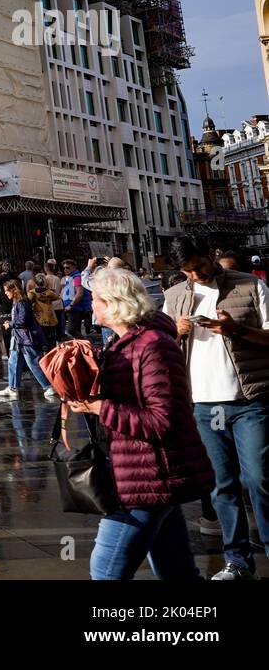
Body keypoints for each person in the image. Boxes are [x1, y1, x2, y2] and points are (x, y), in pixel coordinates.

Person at [75, 267, 214, 579]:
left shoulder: (152, 345)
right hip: (144, 474)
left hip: (148, 477)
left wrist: (99, 407)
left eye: (95, 299)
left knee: (106, 572)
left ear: (113, 303)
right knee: (176, 572)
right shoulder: (123, 342)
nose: (91, 305)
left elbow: (163, 420)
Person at [162, 236, 269, 580]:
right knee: (221, 486)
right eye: (188, 271)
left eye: (200, 266)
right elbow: (162, 349)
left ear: (212, 255)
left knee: (259, 478)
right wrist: (174, 334)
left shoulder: (250, 285)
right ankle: (237, 561)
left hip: (249, 400)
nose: (196, 275)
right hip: (203, 406)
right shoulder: (175, 297)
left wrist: (236, 330)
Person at [0, 281, 56, 400]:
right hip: (20, 337)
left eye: (7, 290)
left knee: (33, 362)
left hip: (25, 338)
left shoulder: (21, 302)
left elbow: (23, 321)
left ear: (13, 290)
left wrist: (10, 324)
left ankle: (48, 386)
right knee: (13, 361)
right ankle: (12, 387)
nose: (5, 293)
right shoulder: (19, 302)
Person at [28, 272, 61, 349]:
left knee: (40, 341)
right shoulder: (49, 293)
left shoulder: (32, 293)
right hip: (50, 319)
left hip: (38, 319)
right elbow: (57, 297)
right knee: (51, 340)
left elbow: (28, 301)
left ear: (35, 282)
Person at [62, 258, 93, 341]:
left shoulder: (76, 277)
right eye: (64, 268)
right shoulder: (70, 278)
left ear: (74, 267)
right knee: (76, 330)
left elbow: (79, 293)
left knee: (71, 330)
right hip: (74, 308)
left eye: (67, 267)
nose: (65, 269)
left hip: (76, 308)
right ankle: (81, 348)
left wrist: (71, 305)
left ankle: (86, 344)